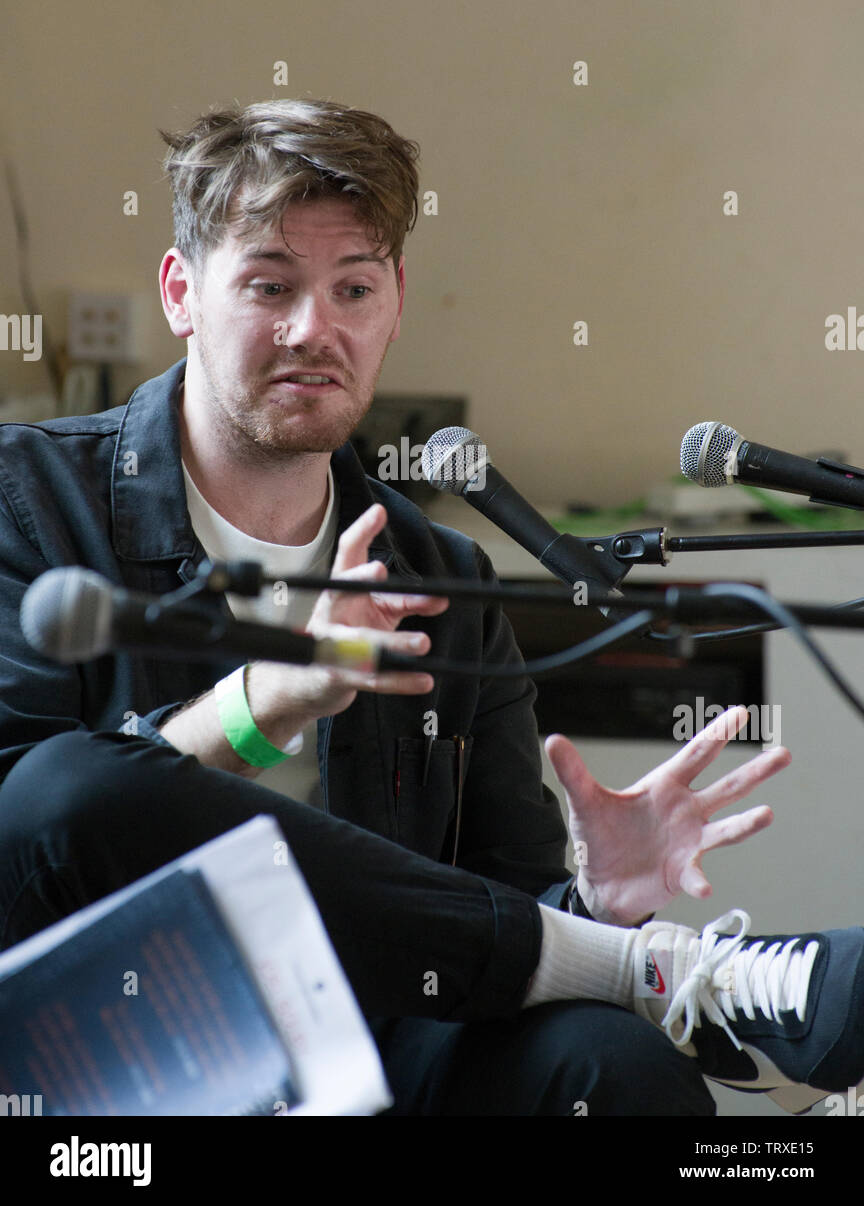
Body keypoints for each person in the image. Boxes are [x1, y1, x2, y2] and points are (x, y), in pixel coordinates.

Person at [0, 98, 860, 1117]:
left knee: (614, 1069)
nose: (314, 328)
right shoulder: (28, 497)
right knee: (63, 786)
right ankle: (656, 971)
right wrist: (260, 702)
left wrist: (590, 896)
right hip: (122, 1035)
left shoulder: (439, 573)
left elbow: (499, 888)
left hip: (376, 1038)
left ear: (395, 302)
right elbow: (33, 839)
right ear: (183, 293)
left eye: (353, 287)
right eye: (269, 285)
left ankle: (633, 962)